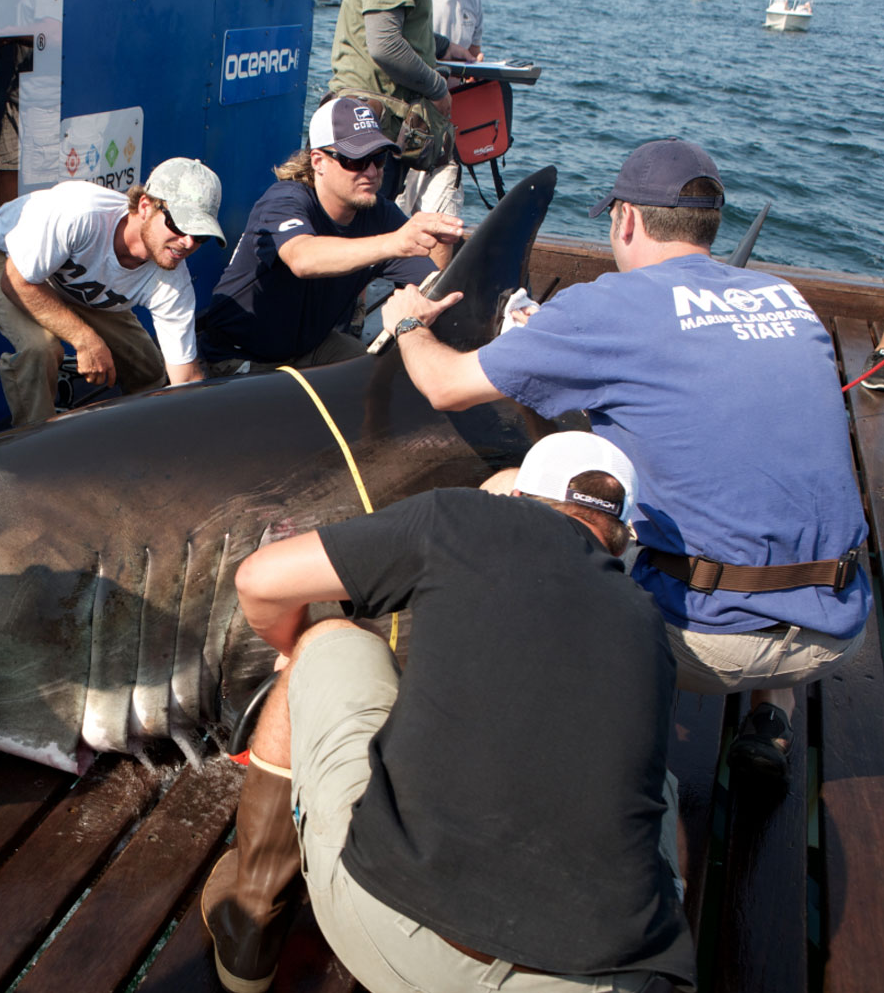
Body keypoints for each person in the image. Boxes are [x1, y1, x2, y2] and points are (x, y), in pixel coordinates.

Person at [378, 138, 872, 788]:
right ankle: (770, 717)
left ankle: (522, 734)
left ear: (626, 219)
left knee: (507, 491)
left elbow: (445, 386)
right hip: (837, 626)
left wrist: (408, 320)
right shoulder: (787, 299)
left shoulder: (606, 307)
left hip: (706, 640)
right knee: (752, 489)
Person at [202, 431, 694, 993]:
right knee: (665, 788)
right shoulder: (647, 619)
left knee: (328, 639)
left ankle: (251, 920)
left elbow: (259, 580)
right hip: (605, 979)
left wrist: (295, 660)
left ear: (516, 496)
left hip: (398, 939)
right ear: (623, 540)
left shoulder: (464, 517)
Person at [196, 97, 461, 373]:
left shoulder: (378, 213)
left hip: (309, 348)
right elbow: (302, 258)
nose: (371, 172)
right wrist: (394, 243)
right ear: (318, 161)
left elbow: (435, 286)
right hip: (237, 356)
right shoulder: (284, 201)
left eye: (378, 159)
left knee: (385, 379)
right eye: (355, 160)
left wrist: (441, 245)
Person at [0, 157, 225, 426]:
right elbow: (17, 281)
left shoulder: (173, 278)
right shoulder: (80, 214)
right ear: (145, 206)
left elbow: (185, 380)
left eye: (200, 235)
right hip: (10, 263)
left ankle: (135, 441)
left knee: (148, 367)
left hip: (78, 283)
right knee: (40, 350)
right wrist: (86, 341)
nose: (187, 242)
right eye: (179, 225)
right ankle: (36, 451)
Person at [327, 0, 452, 203]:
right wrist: (438, 89)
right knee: (362, 228)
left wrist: (444, 46)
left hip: (375, 128)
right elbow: (385, 45)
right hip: (368, 129)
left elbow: (396, 27)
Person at [397, 0, 484, 269]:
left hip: (448, 130)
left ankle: (433, 302)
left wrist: (477, 62)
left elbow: (472, 52)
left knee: (444, 222)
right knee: (391, 214)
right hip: (406, 125)